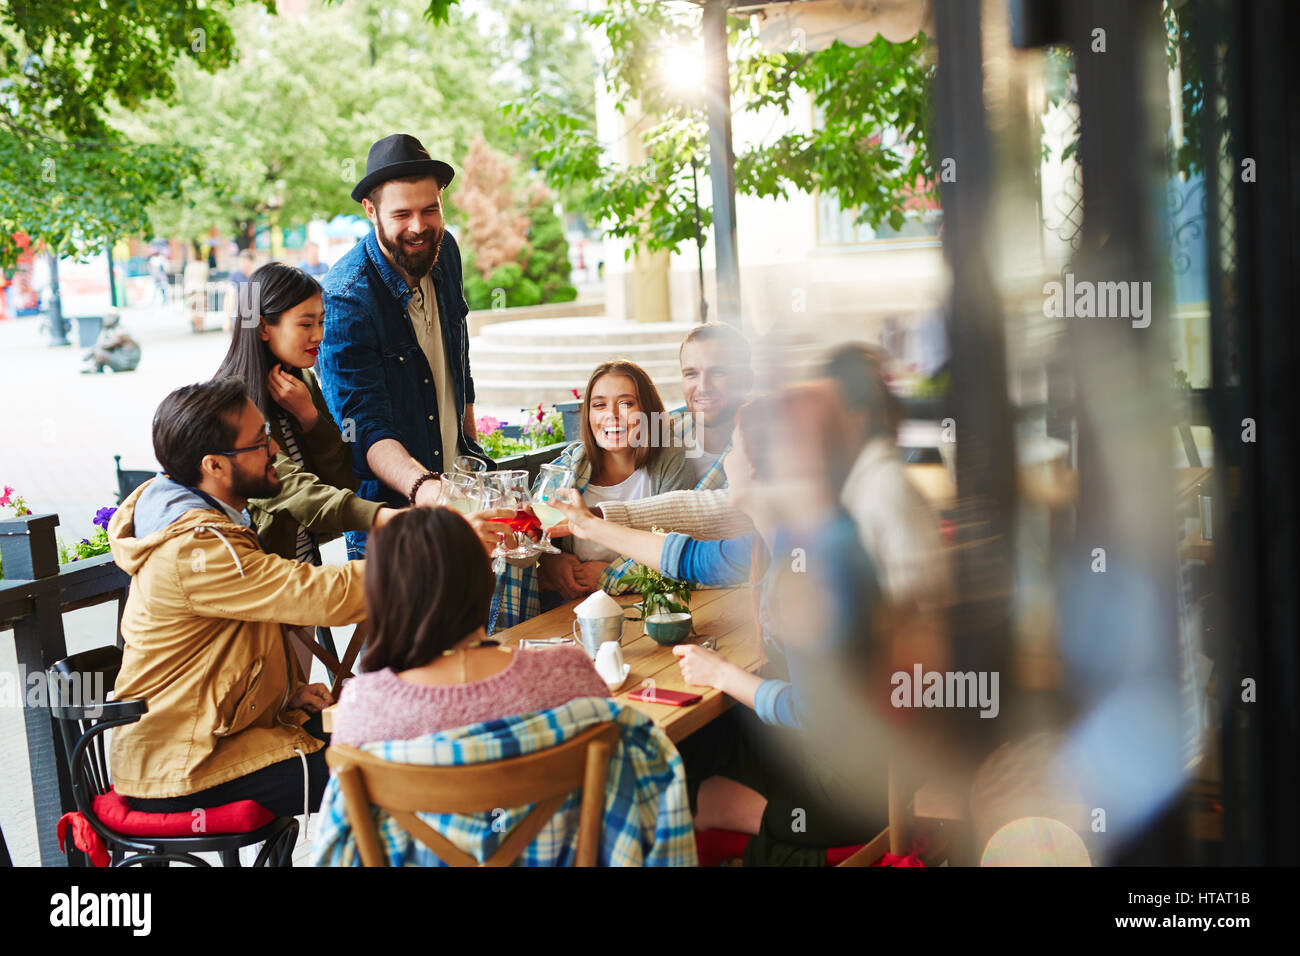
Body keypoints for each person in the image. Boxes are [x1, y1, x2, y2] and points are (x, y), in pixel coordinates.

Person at [550, 386, 889, 857]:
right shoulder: (781, 540)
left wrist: (723, 675)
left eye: (738, 450)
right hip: (834, 758)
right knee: (684, 756)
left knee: (679, 773)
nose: (728, 462)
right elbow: (686, 558)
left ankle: (723, 819)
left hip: (843, 785)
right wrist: (591, 526)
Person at [105, 378, 366, 817]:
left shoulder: (204, 521)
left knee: (395, 732)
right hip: (181, 766)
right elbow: (324, 595)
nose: (276, 451)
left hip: (216, 740)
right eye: (261, 442)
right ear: (215, 466)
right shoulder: (195, 547)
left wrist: (284, 695)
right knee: (389, 765)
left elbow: (218, 651)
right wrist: (431, 549)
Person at [317, 133, 488, 559]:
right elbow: (363, 427)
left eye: (430, 209)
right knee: (397, 628)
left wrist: (470, 453)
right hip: (393, 519)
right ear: (371, 211)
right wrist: (426, 488)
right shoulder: (345, 298)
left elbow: (458, 356)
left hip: (462, 493)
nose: (419, 227)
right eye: (402, 214)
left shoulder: (444, 249)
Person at [330, 507, 609, 747]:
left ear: (380, 595)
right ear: (485, 580)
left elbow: (345, 809)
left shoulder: (362, 709)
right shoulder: (568, 674)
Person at [538, 359, 692, 603]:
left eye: (626, 403)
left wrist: (611, 576)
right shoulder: (568, 467)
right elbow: (529, 545)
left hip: (651, 607)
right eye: (599, 405)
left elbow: (682, 553)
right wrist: (548, 563)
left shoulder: (670, 462)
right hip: (573, 611)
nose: (611, 415)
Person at [672, 322, 753, 488]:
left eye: (718, 372)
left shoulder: (769, 445)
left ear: (747, 380)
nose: (703, 387)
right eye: (691, 374)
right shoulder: (662, 436)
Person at [80, 309, 140, 374]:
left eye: (108, 318)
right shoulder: (115, 330)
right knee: (98, 350)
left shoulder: (120, 332)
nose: (105, 320)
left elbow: (105, 346)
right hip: (124, 361)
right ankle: (96, 367)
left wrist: (103, 330)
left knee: (99, 352)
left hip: (127, 364)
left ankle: (96, 368)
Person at [225, 249, 256, 333]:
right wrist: (227, 319)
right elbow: (230, 296)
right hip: (239, 314)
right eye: (241, 262)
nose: (242, 264)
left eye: (244, 262)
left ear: (252, 262)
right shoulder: (235, 276)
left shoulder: (258, 275)